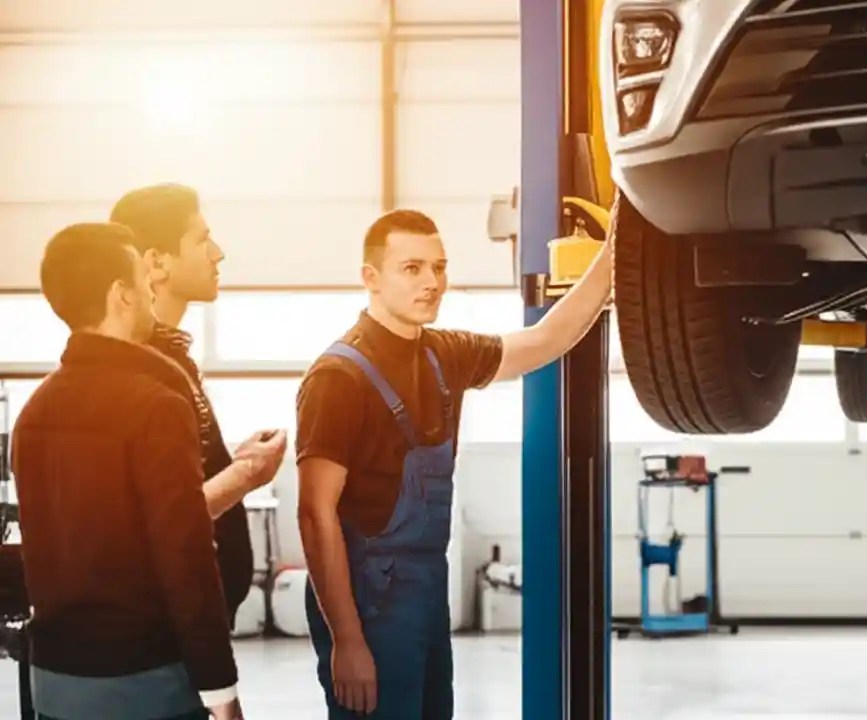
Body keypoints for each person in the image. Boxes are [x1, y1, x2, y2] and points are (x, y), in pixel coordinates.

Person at [296, 209, 613, 718]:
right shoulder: (338, 378)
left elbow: (544, 341)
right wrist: (347, 641)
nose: (432, 283)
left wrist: (616, 253)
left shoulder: (445, 353)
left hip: (425, 589)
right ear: (370, 279)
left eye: (439, 267)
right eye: (413, 268)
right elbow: (315, 515)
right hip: (368, 602)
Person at [11, 222, 244, 720]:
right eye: (143, 278)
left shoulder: (34, 412)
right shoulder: (156, 406)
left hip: (53, 687)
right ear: (122, 294)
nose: (151, 292)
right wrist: (221, 693)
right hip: (144, 686)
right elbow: (186, 559)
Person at [110, 183, 287, 620]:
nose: (218, 253)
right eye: (202, 239)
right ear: (156, 263)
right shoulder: (140, 369)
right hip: (167, 628)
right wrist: (246, 473)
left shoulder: (173, 359)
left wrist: (235, 462)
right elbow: (157, 515)